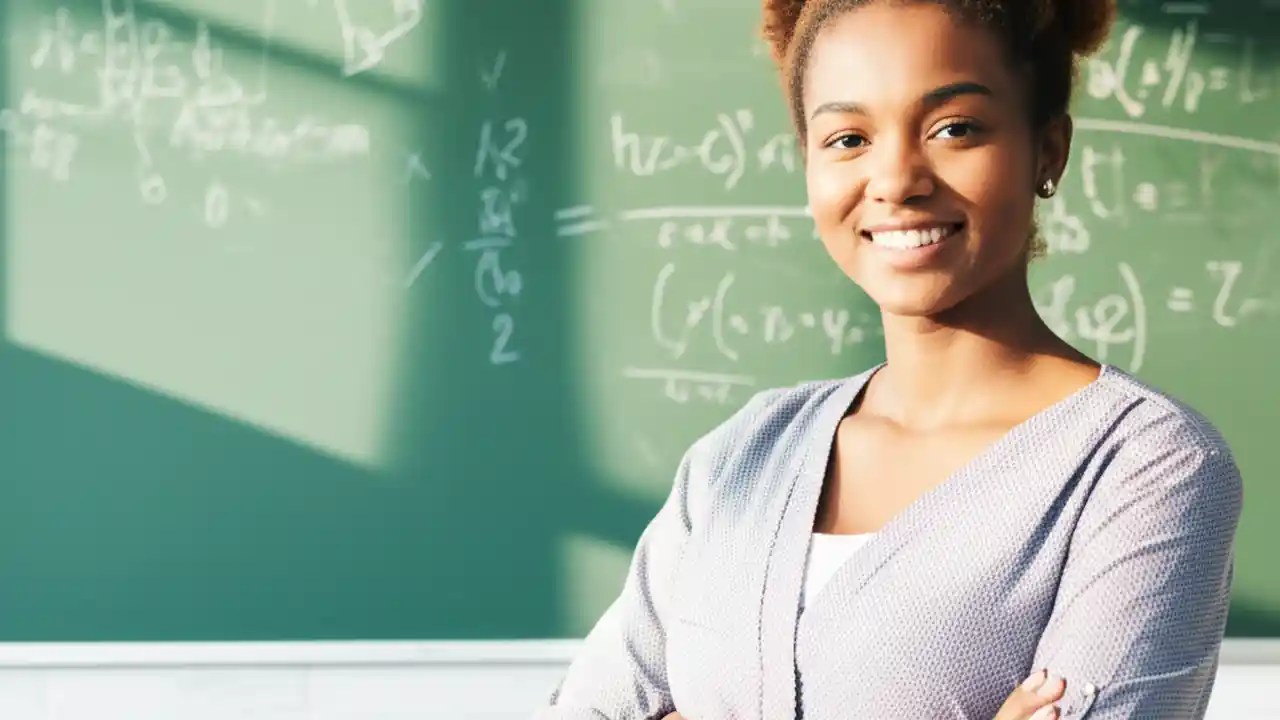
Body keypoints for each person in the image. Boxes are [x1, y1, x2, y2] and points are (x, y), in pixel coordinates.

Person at [535, 0, 1244, 717]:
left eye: (955, 128)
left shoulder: (1146, 467)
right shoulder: (745, 454)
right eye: (847, 138)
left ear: (1047, 150)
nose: (897, 178)